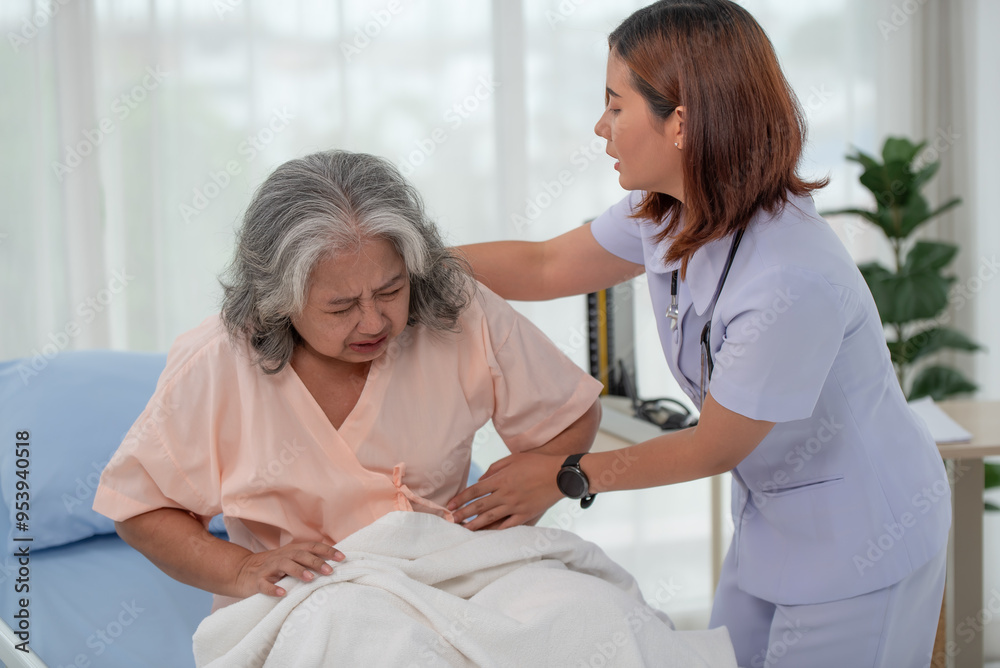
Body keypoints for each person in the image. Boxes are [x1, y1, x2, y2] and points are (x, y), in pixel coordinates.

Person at [446, 1, 950, 666]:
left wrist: (563, 476)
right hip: (775, 522)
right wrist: (410, 261)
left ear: (679, 121)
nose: (600, 127)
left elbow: (712, 446)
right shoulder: (668, 212)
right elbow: (545, 264)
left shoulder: (789, 276)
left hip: (862, 544)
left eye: (615, 105)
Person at [93, 149, 602, 612]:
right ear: (279, 300)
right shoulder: (217, 362)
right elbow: (141, 508)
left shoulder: (459, 310)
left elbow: (568, 413)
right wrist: (242, 569)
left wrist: (537, 487)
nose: (374, 322)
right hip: (305, 605)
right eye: (341, 307)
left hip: (451, 578)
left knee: (591, 611)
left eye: (390, 290)